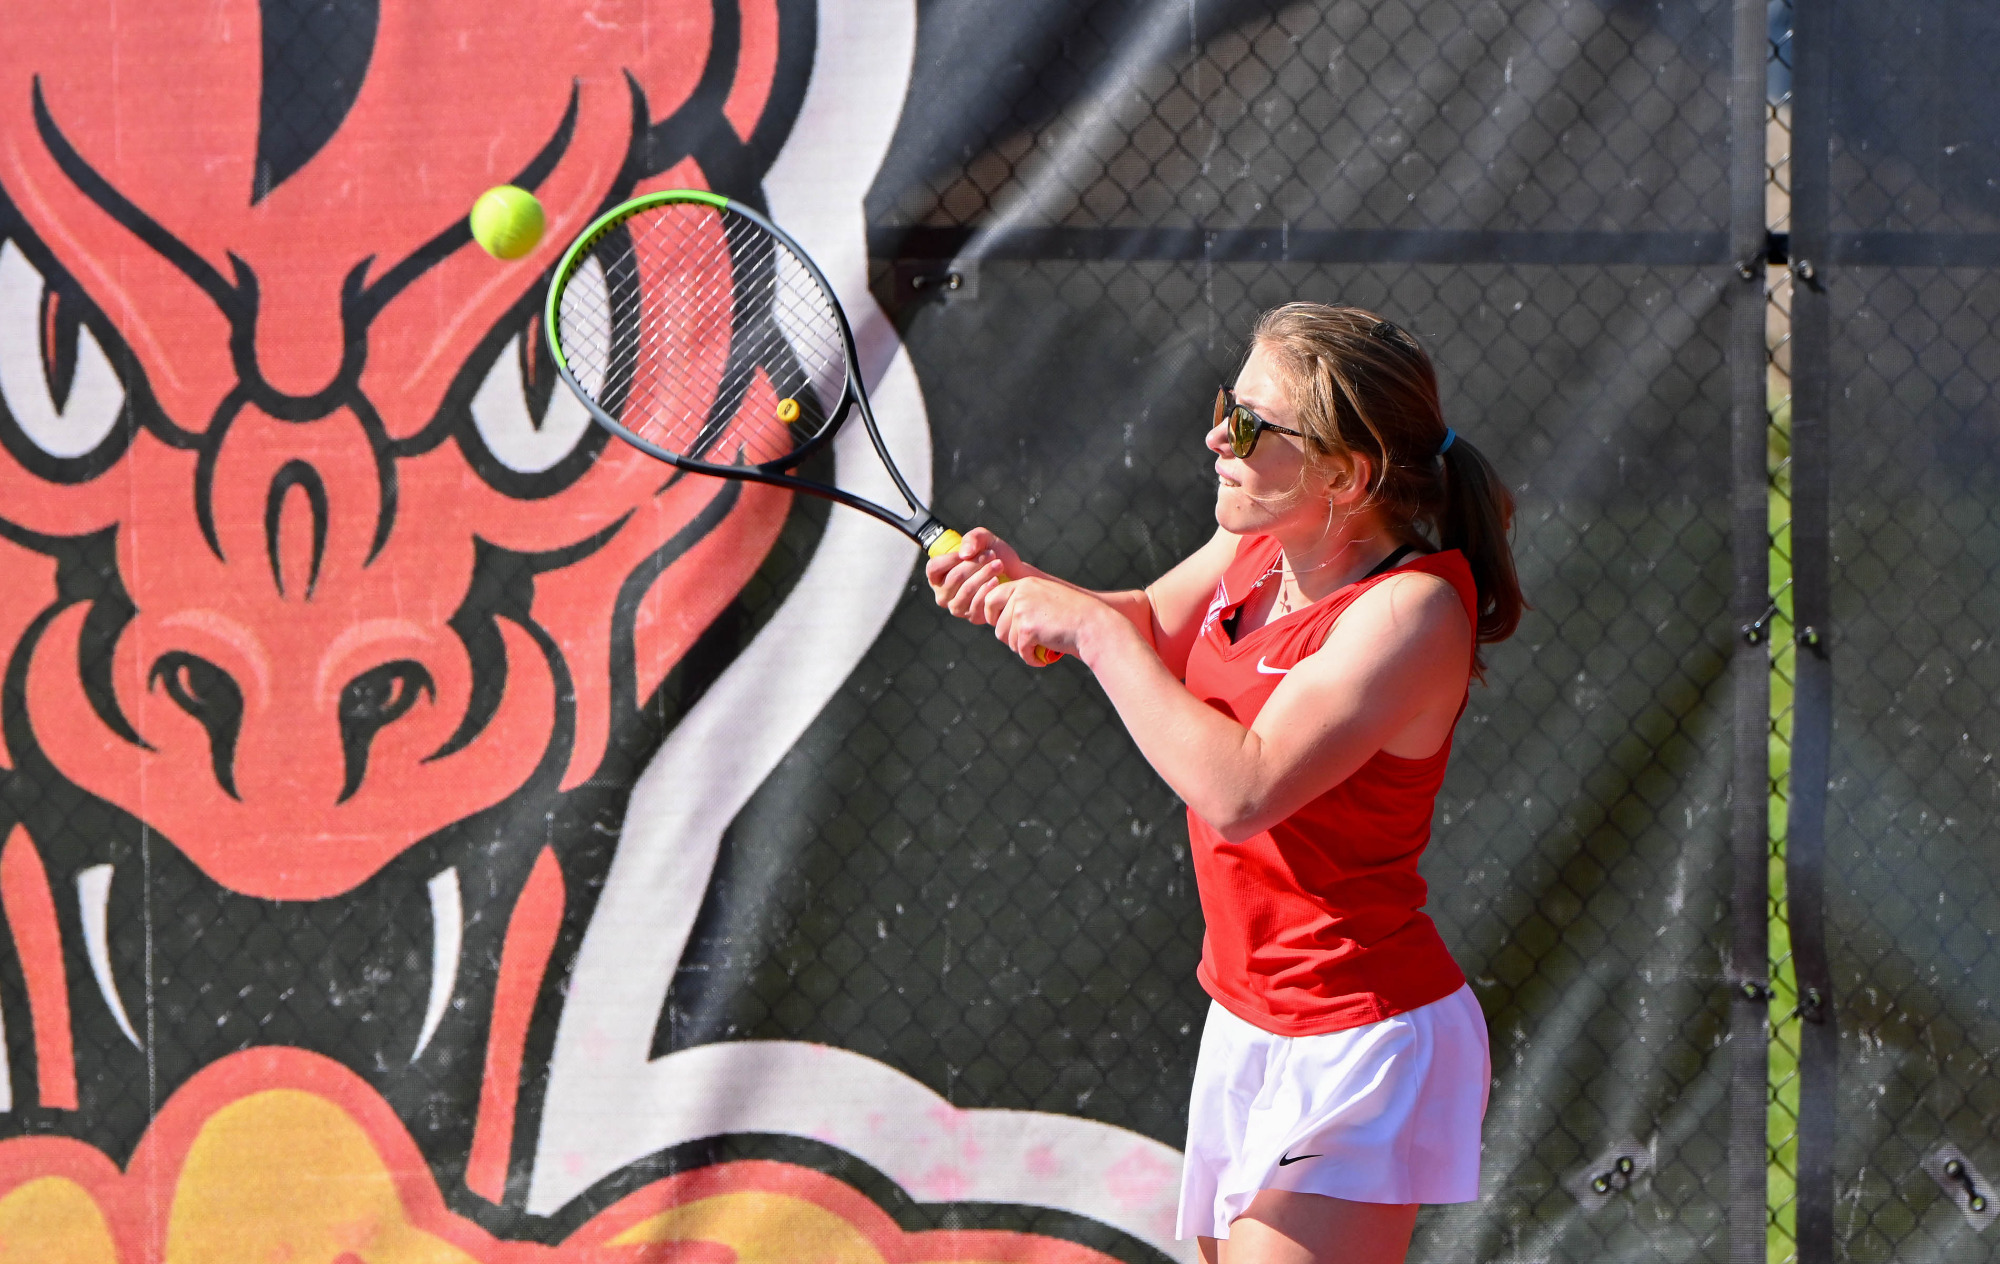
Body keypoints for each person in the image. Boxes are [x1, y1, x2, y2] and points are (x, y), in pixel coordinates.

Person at [925, 303, 1524, 1264]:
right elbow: (1144, 625)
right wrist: (1026, 587)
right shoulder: (1258, 547)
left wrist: (1092, 633)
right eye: (1223, 405)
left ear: (1345, 471)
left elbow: (1244, 788)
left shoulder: (1410, 614)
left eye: (1248, 424)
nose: (1215, 438)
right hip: (1247, 1013)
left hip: (1360, 1037)